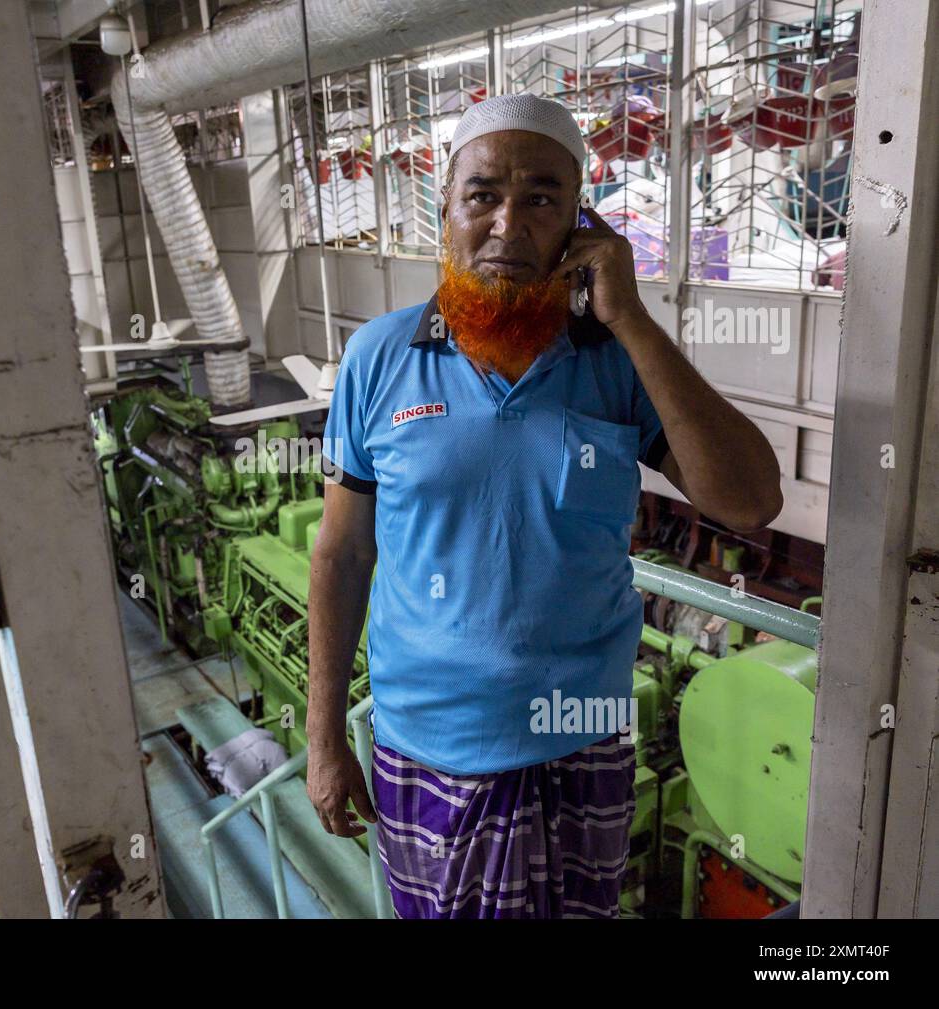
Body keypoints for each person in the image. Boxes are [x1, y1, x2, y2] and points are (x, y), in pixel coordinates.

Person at [305, 93, 782, 919]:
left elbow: (749, 501)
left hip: (581, 743)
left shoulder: (615, 361)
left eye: (542, 198)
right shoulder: (378, 359)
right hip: (426, 749)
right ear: (445, 213)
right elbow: (341, 556)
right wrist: (321, 741)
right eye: (482, 194)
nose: (507, 224)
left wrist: (630, 317)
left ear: (580, 222)